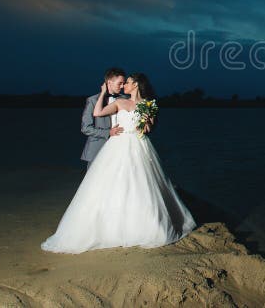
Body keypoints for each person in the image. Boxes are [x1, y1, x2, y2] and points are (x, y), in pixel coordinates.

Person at [41, 72, 197, 253]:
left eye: (127, 83)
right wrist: (101, 93)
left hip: (139, 145)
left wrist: (146, 123)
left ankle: (144, 225)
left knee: (141, 184)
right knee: (113, 183)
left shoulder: (149, 105)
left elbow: (147, 129)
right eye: (123, 83)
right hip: (118, 145)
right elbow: (97, 113)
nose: (124, 86)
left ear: (136, 85)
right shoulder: (120, 102)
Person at [80, 67, 127, 170]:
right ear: (109, 82)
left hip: (121, 148)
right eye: (120, 83)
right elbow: (86, 128)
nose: (123, 86)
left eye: (124, 83)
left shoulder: (125, 100)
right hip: (97, 148)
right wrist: (108, 133)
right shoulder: (93, 100)